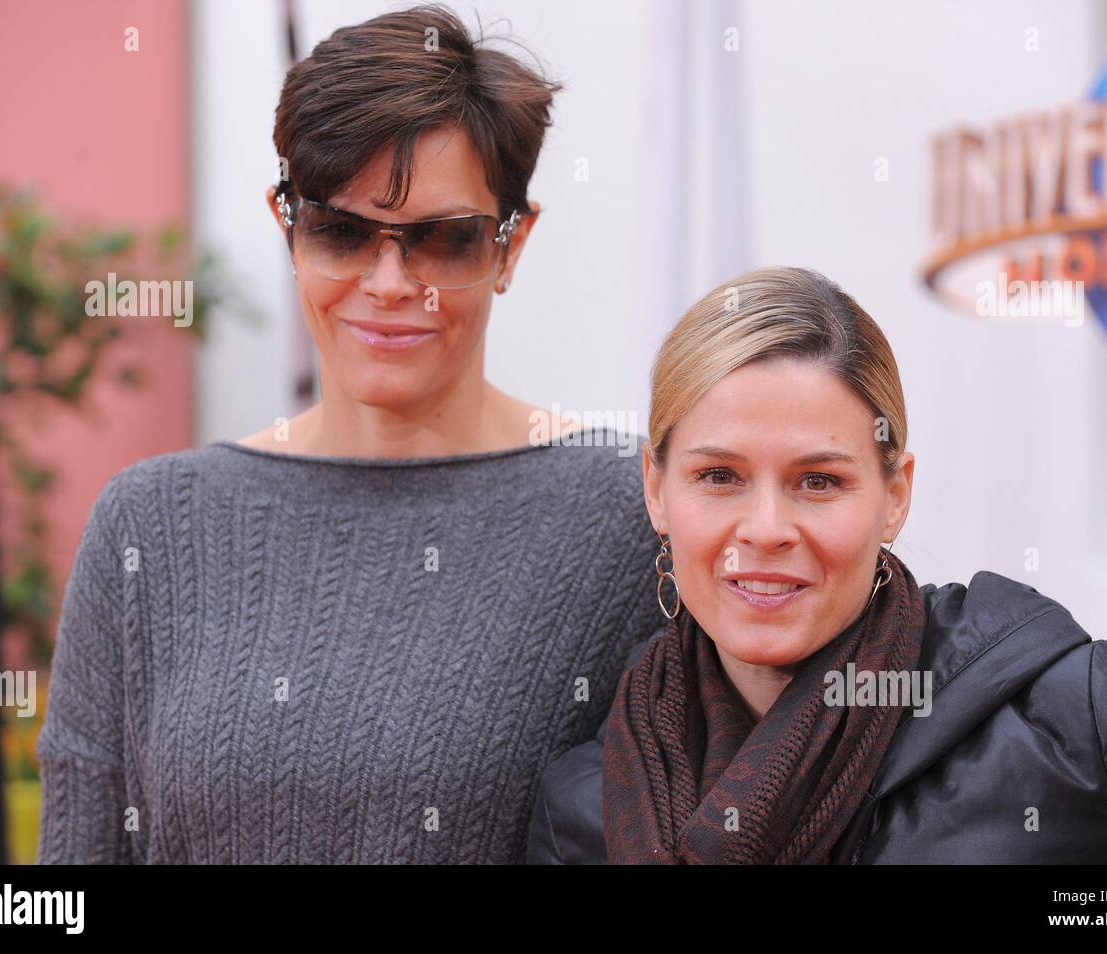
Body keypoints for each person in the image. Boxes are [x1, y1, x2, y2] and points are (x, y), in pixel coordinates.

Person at [36, 4, 665, 864]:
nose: (391, 283)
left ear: (511, 247)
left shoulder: (629, 514)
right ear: (288, 225)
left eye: (443, 241)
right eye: (341, 231)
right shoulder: (149, 524)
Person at [526, 265, 1107, 864]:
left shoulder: (1068, 712)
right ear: (656, 487)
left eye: (819, 481)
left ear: (895, 495)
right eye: (718, 476)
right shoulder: (587, 805)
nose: (767, 529)